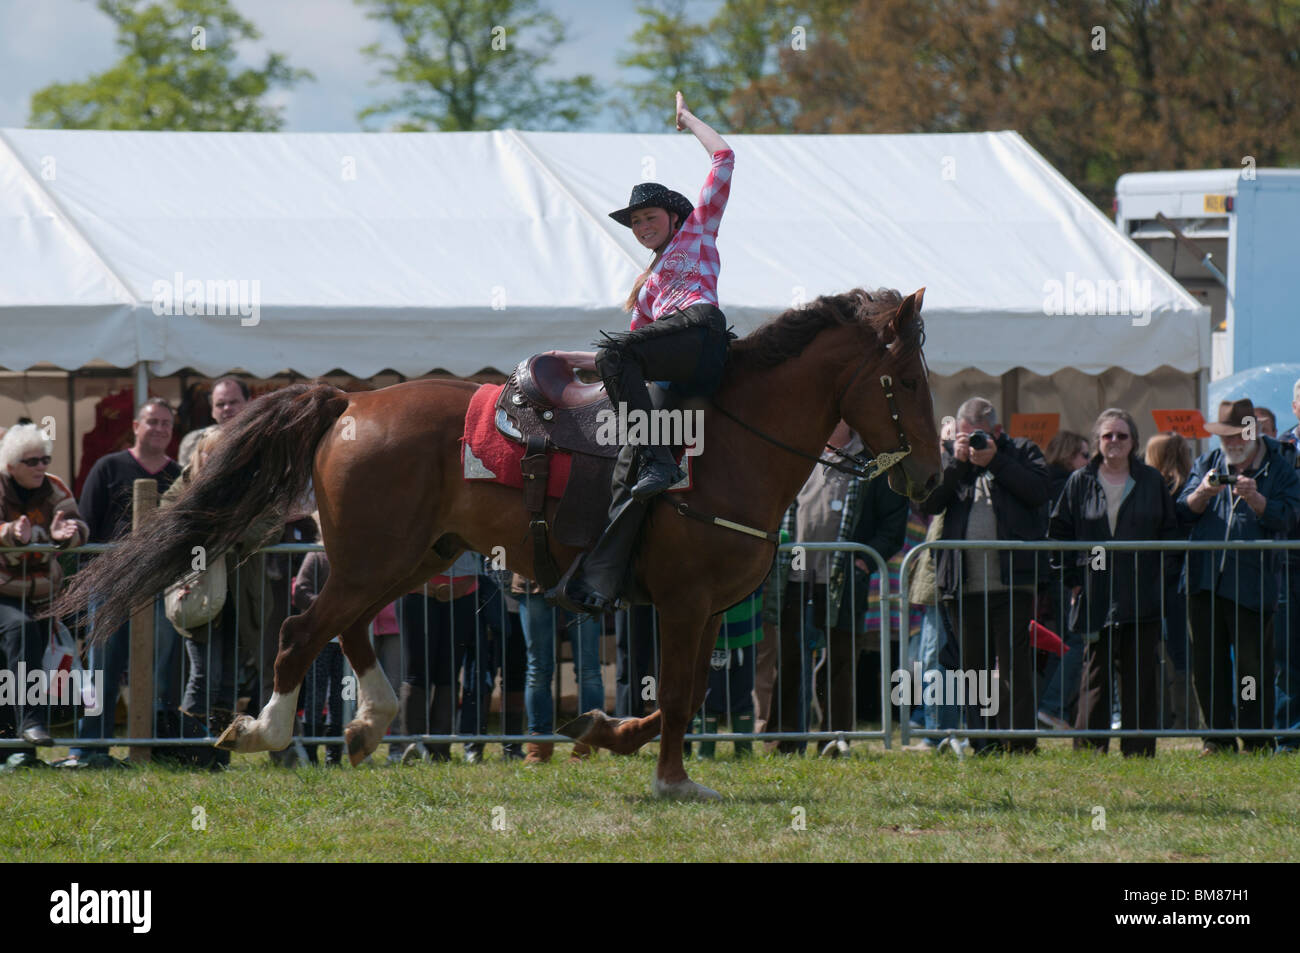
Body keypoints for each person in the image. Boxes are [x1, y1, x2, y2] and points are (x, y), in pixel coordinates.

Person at [554, 92, 734, 613]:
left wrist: (688, 121)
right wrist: (569, 357)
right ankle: (603, 578)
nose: (641, 226)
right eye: (634, 222)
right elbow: (623, 357)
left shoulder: (699, 227)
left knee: (617, 355)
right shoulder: (646, 284)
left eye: (648, 216)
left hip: (701, 331)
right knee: (625, 462)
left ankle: (659, 463)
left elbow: (724, 158)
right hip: (673, 363)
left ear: (674, 215)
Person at [767, 421, 908, 756]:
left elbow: (893, 524)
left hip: (843, 579)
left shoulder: (876, 463)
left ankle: (834, 742)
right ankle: (786, 742)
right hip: (797, 574)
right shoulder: (800, 452)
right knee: (790, 660)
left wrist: (863, 562)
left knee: (840, 664)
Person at [920, 397, 1051, 754]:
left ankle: (1021, 742)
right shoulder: (950, 457)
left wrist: (996, 461)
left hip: (1012, 581)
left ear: (997, 430)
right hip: (963, 582)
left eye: (978, 435)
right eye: (964, 435)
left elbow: (1039, 492)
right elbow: (927, 503)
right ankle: (983, 742)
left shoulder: (1021, 451)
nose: (971, 442)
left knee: (1014, 666)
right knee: (973, 669)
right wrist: (957, 464)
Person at [1050, 409, 1179, 756]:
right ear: (1097, 441)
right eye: (1108, 435)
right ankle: (1090, 750)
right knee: (1095, 676)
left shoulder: (1152, 481)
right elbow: (1059, 533)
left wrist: (1160, 581)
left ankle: (1138, 752)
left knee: (1141, 677)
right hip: (1095, 593)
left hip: (1142, 594)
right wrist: (1073, 580)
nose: (1115, 442)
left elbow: (1171, 536)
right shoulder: (1080, 481)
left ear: (1134, 441)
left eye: (1122, 436)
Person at [1178, 398, 1300, 754]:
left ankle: (1254, 738)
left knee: (1251, 669)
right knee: (1207, 665)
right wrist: (1203, 492)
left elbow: (1290, 517)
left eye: (1236, 435)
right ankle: (1216, 739)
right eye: (1224, 436)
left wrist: (1258, 501)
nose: (1230, 443)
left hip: (1252, 582)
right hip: (1204, 581)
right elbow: (1182, 510)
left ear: (1251, 432)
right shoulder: (1209, 462)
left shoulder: (1280, 466)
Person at [70, 398, 183, 764]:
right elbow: (87, 524)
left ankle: (155, 744)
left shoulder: (179, 476)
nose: (159, 429)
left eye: (166, 423)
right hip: (109, 585)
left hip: (160, 586)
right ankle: (90, 748)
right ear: (136, 426)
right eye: (152, 422)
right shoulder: (108, 467)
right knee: (102, 666)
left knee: (161, 667)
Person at [0, 424, 89, 769]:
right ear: (10, 466)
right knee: (20, 630)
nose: (40, 466)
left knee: (26, 653)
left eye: (45, 459)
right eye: (31, 460)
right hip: (4, 596)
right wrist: (9, 534)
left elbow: (81, 525)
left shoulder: (55, 488)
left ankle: (19, 751)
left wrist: (66, 535)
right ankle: (30, 723)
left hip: (42, 599)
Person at [514, 574, 604, 763]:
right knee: (537, 669)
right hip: (532, 581)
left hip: (583, 581)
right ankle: (538, 746)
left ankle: (587, 744)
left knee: (588, 669)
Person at [1036, 428, 1091, 731]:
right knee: (1077, 640)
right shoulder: (1067, 484)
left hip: (1051, 574)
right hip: (1065, 573)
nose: (1089, 460)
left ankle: (1050, 708)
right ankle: (1052, 707)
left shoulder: (1045, 482)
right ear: (1070, 454)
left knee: (1064, 643)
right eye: (1085, 454)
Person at [1144, 431, 1198, 730]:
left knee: (1165, 649)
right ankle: (1185, 718)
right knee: (1180, 649)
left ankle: (1173, 717)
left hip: (1163, 577)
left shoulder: (1156, 488)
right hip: (1179, 577)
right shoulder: (1188, 487)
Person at [177, 377, 249, 469]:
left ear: (249, 403)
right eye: (220, 404)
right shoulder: (192, 442)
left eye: (233, 402)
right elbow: (183, 481)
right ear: (212, 410)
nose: (227, 408)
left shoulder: (261, 439)